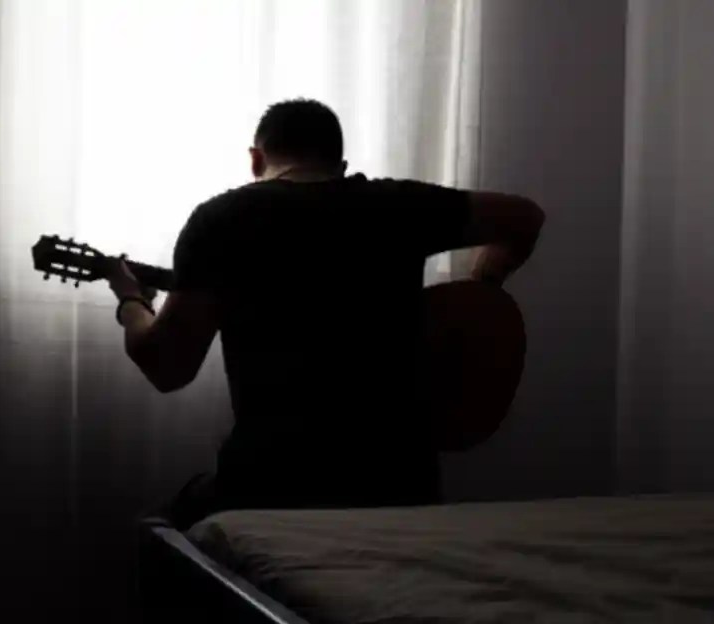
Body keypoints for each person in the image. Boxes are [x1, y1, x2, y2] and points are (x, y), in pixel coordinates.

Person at [107, 98, 545, 528]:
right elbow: (525, 218)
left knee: (154, 533)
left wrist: (131, 301)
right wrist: (480, 290)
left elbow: (168, 368)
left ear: (256, 159)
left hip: (271, 485)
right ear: (340, 163)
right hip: (400, 485)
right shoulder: (400, 204)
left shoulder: (220, 220)